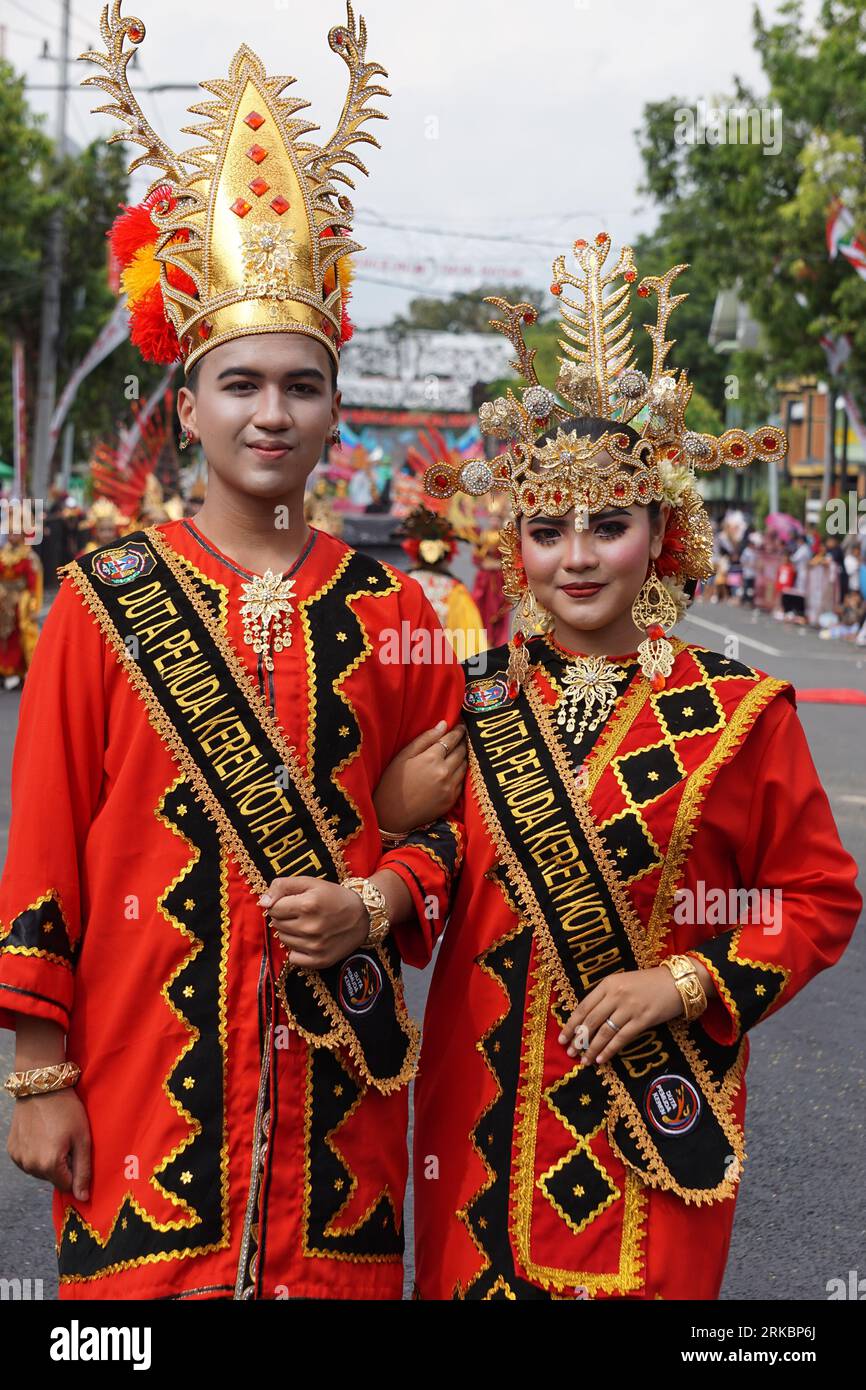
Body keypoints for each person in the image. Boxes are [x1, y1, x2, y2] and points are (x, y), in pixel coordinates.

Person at [1, 3, 468, 1301]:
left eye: (300, 384)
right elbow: (44, 846)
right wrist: (39, 1074)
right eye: (243, 382)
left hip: (341, 1114)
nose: (272, 412)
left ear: (336, 399)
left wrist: (376, 894)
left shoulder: (394, 610)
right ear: (189, 396)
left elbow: (457, 839)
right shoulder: (102, 602)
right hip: (142, 1091)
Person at [377, 234, 861, 1299]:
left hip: (649, 1117)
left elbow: (819, 895)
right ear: (517, 548)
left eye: (608, 523)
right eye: (547, 530)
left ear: (661, 530)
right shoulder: (476, 697)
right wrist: (397, 821)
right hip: (476, 1107)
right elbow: (432, 871)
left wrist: (687, 980)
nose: (579, 554)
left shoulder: (736, 710)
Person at [394, 504, 487, 661]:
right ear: (448, 556)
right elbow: (472, 651)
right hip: (441, 673)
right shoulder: (455, 592)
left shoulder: (400, 586)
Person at [0, 530, 43, 690]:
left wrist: (31, 605)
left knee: (21, 636)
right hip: (3, 601)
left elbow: (33, 584)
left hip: (20, 603)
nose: (13, 537)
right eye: (10, 533)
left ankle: (23, 671)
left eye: (16, 533)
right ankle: (5, 670)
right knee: (5, 637)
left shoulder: (29, 557)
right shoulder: (3, 553)